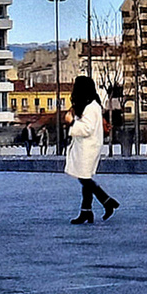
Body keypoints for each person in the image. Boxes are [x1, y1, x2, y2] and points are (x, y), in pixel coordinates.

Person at [63, 75, 119, 224]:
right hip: (86, 146)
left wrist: (71, 123)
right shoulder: (90, 105)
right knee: (85, 177)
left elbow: (86, 129)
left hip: (87, 147)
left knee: (84, 178)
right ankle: (86, 211)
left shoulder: (91, 107)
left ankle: (107, 201)